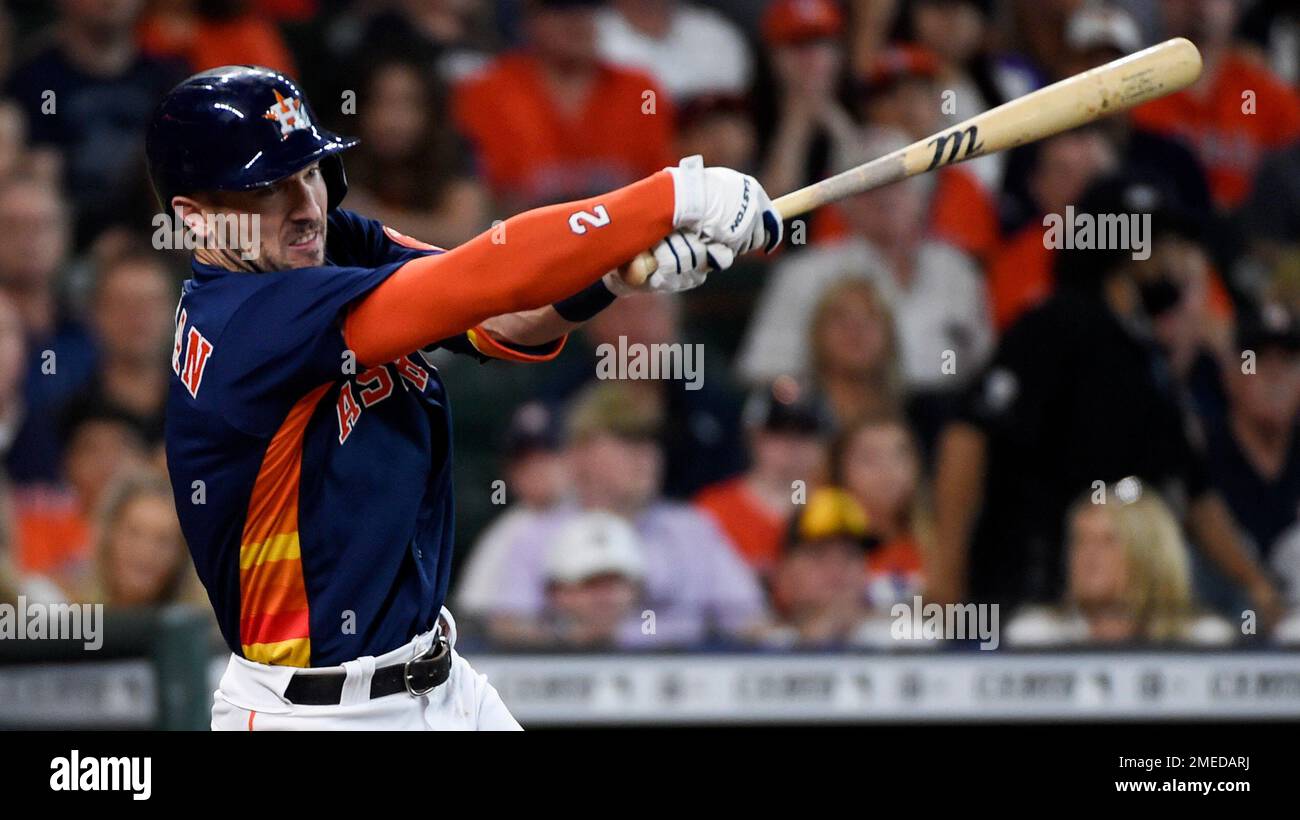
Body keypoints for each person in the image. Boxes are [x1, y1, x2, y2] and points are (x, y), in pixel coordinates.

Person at [150, 66, 780, 730]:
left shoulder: (324, 245)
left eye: (308, 170)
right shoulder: (248, 324)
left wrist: (612, 278)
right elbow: (484, 275)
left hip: (440, 680)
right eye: (269, 188)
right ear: (197, 220)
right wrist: (668, 197)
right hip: (319, 713)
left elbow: (499, 317)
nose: (306, 205)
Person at [931, 177, 1281, 622]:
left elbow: (1194, 492)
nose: (1178, 262)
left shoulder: (1147, 353)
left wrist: (1255, 584)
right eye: (1161, 244)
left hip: (1124, 607)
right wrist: (945, 575)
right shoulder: (1055, 326)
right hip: (1031, 600)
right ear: (1124, 252)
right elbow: (969, 435)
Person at [483, 381, 770, 649]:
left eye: (650, 441)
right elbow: (508, 627)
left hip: (680, 687)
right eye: (628, 441)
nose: (646, 455)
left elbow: (751, 622)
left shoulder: (693, 529)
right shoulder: (535, 534)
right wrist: (572, 641)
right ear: (578, 452)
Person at [451, 0, 676, 211]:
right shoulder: (486, 90)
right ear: (528, 21)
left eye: (585, 8)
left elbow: (662, 176)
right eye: (560, 10)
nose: (576, 21)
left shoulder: (639, 87)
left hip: (628, 227)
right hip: (523, 234)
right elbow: (485, 190)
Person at [4, 0, 184, 241]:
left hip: (151, 237)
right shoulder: (39, 81)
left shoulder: (165, 79)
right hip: (70, 240)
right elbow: (42, 172)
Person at [1007, 478, 1235, 646]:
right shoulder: (1037, 638)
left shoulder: (1204, 641)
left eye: (1108, 542)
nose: (1089, 555)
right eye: (1080, 541)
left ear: (1150, 554)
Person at [1130, 0, 1300, 211]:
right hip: (1161, 227)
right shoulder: (1134, 89)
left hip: (1251, 233)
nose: (1197, 4)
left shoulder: (1266, 94)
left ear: (1234, 7)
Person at [694, 377, 830, 577]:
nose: (792, 444)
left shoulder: (839, 508)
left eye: (805, 432)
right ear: (753, 437)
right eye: (778, 431)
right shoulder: (711, 511)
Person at [454, 401, 570, 629]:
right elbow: (476, 621)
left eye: (547, 455)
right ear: (509, 472)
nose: (538, 469)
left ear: (571, 456)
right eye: (525, 461)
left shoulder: (599, 511)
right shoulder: (504, 536)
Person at [835, 413, 930, 610]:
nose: (887, 469)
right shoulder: (822, 547)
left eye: (900, 455)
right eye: (869, 458)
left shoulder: (937, 548)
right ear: (841, 471)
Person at [765, 486, 874, 648]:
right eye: (818, 555)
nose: (836, 570)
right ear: (784, 575)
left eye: (850, 555)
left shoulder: (902, 640)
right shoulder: (754, 645)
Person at [595, 0, 752, 102]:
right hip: (627, 140)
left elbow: (729, 112)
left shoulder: (715, 34)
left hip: (704, 140)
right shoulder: (594, 35)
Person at [538, 510, 650, 649]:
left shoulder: (668, 646)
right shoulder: (525, 657)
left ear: (637, 590)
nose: (605, 597)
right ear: (557, 592)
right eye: (591, 584)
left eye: (615, 583)